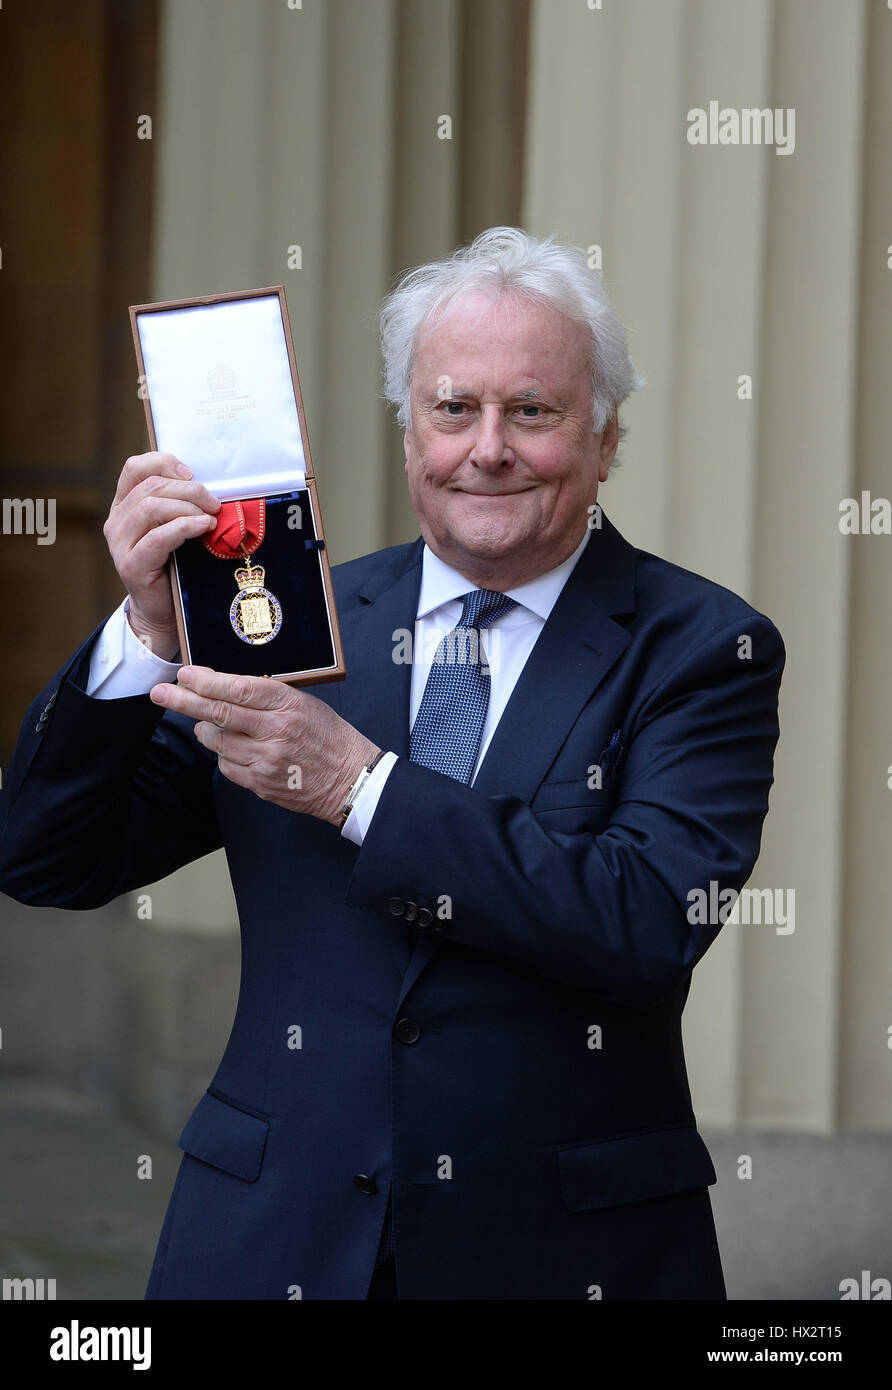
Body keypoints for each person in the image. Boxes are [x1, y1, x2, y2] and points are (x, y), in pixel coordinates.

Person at [0, 227, 784, 1299]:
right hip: (273, 1234)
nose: (487, 447)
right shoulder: (290, 622)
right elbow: (48, 859)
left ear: (605, 441)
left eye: (534, 411)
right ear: (407, 430)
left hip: (558, 1250)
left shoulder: (698, 645)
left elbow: (645, 920)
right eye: (453, 408)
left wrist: (360, 788)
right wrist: (143, 633)